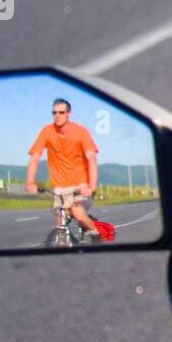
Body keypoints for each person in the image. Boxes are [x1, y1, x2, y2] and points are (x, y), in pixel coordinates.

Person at [25, 98, 109, 242]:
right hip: (59, 188)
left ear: (69, 113)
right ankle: (62, 248)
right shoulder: (47, 131)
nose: (57, 115)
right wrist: (30, 182)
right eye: (54, 112)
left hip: (80, 186)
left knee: (76, 211)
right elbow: (35, 157)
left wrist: (91, 187)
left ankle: (96, 235)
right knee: (60, 219)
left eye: (61, 112)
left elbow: (91, 159)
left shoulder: (80, 132)